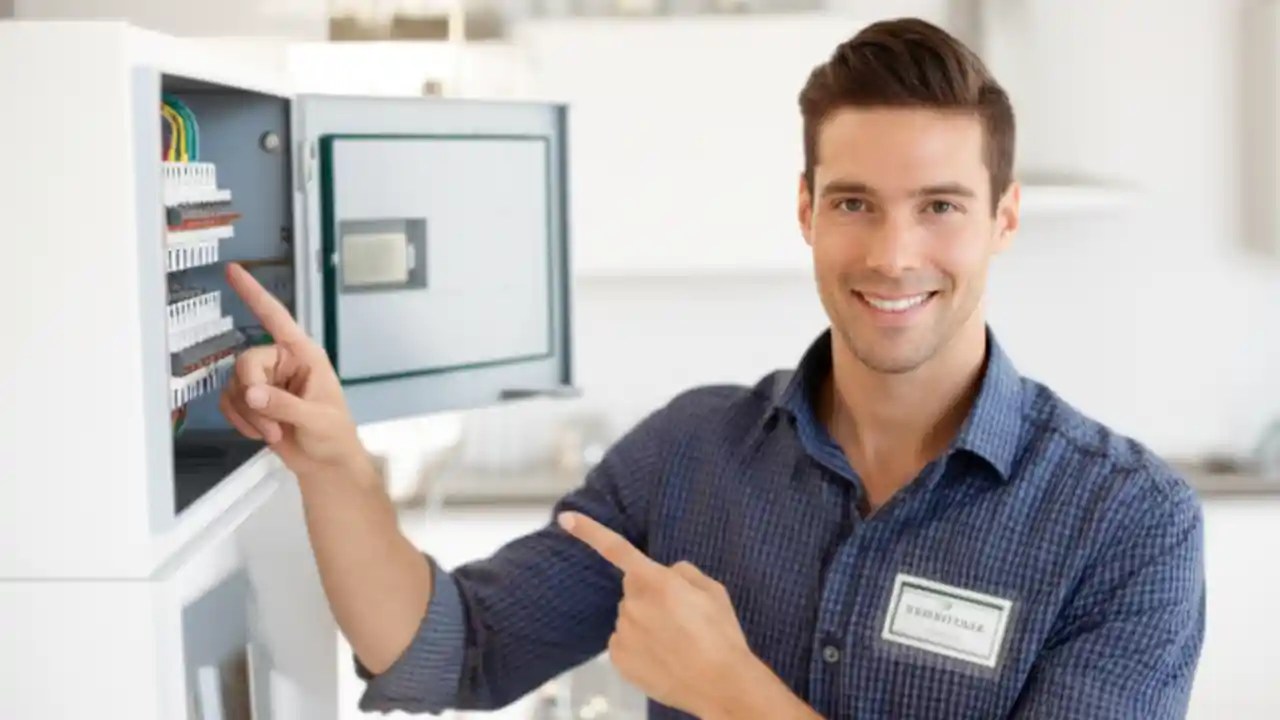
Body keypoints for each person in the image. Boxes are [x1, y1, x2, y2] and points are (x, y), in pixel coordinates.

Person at [219, 17, 1205, 719]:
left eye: (939, 206)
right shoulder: (689, 456)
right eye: (854, 203)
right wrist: (336, 466)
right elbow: (448, 654)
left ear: (1003, 218)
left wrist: (732, 695)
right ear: (805, 212)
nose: (892, 253)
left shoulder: (1125, 527)